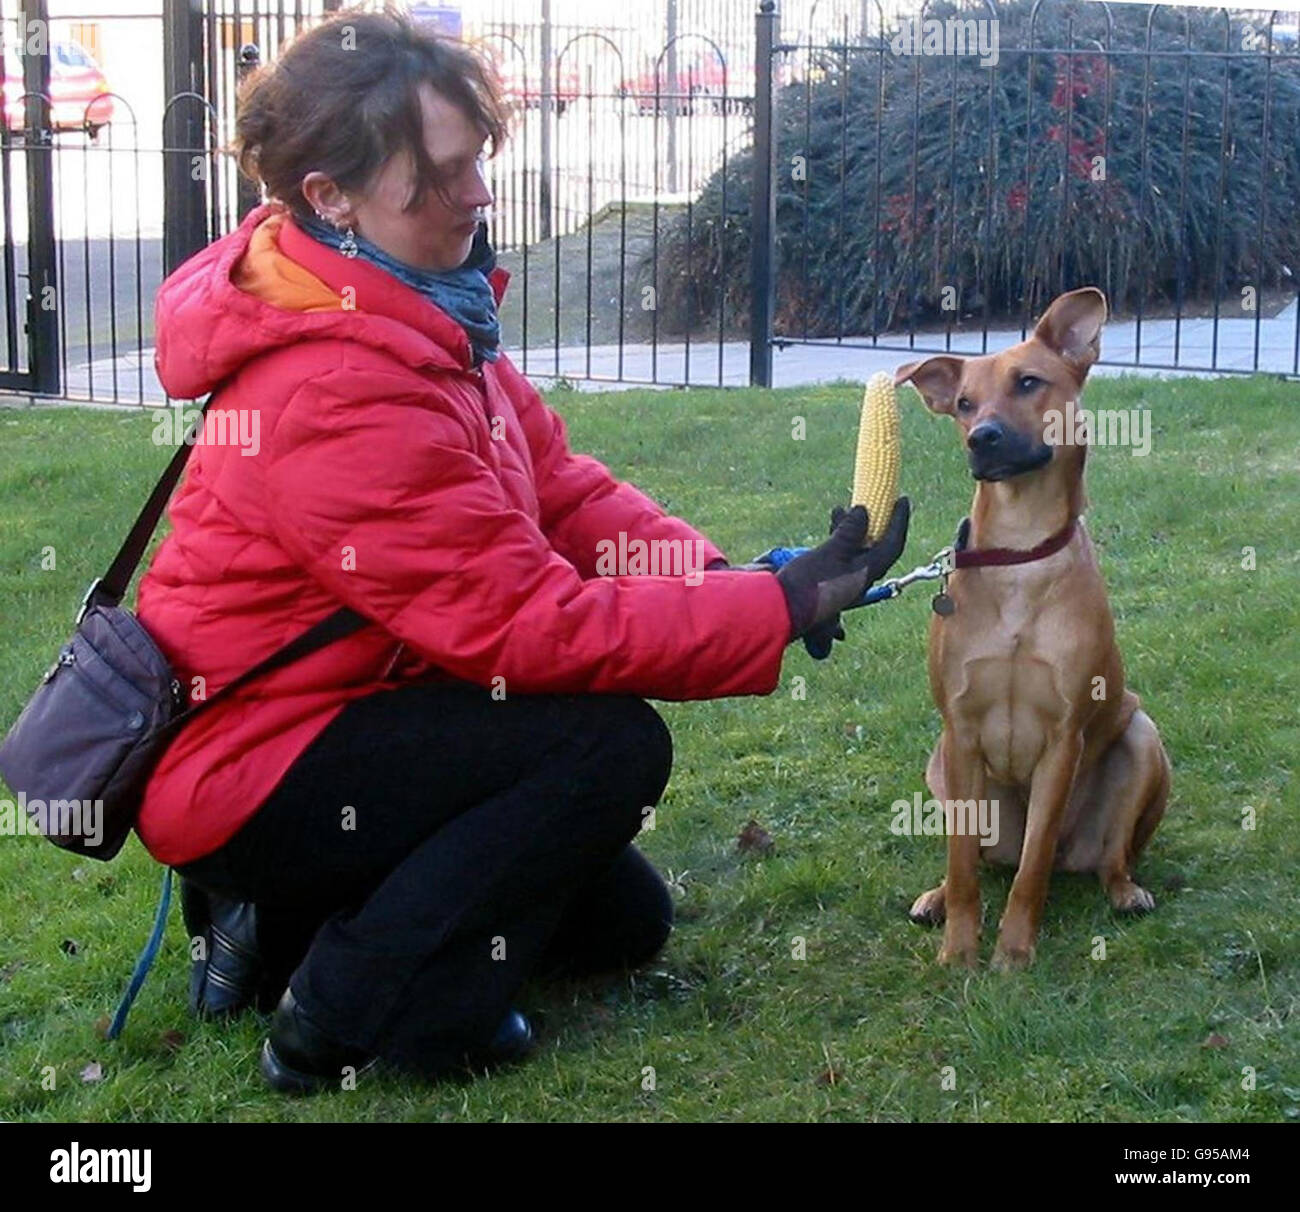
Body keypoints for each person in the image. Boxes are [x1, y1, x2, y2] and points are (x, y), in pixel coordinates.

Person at [136, 9, 910, 1094]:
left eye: (476, 163)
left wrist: (741, 581)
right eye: (439, 177)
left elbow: (562, 495)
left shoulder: (406, 309)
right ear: (331, 197)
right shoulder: (337, 386)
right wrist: (766, 614)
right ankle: (340, 1015)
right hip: (252, 761)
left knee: (624, 923)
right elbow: (524, 626)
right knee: (603, 750)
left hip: (359, 707)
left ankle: (280, 925)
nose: (478, 196)